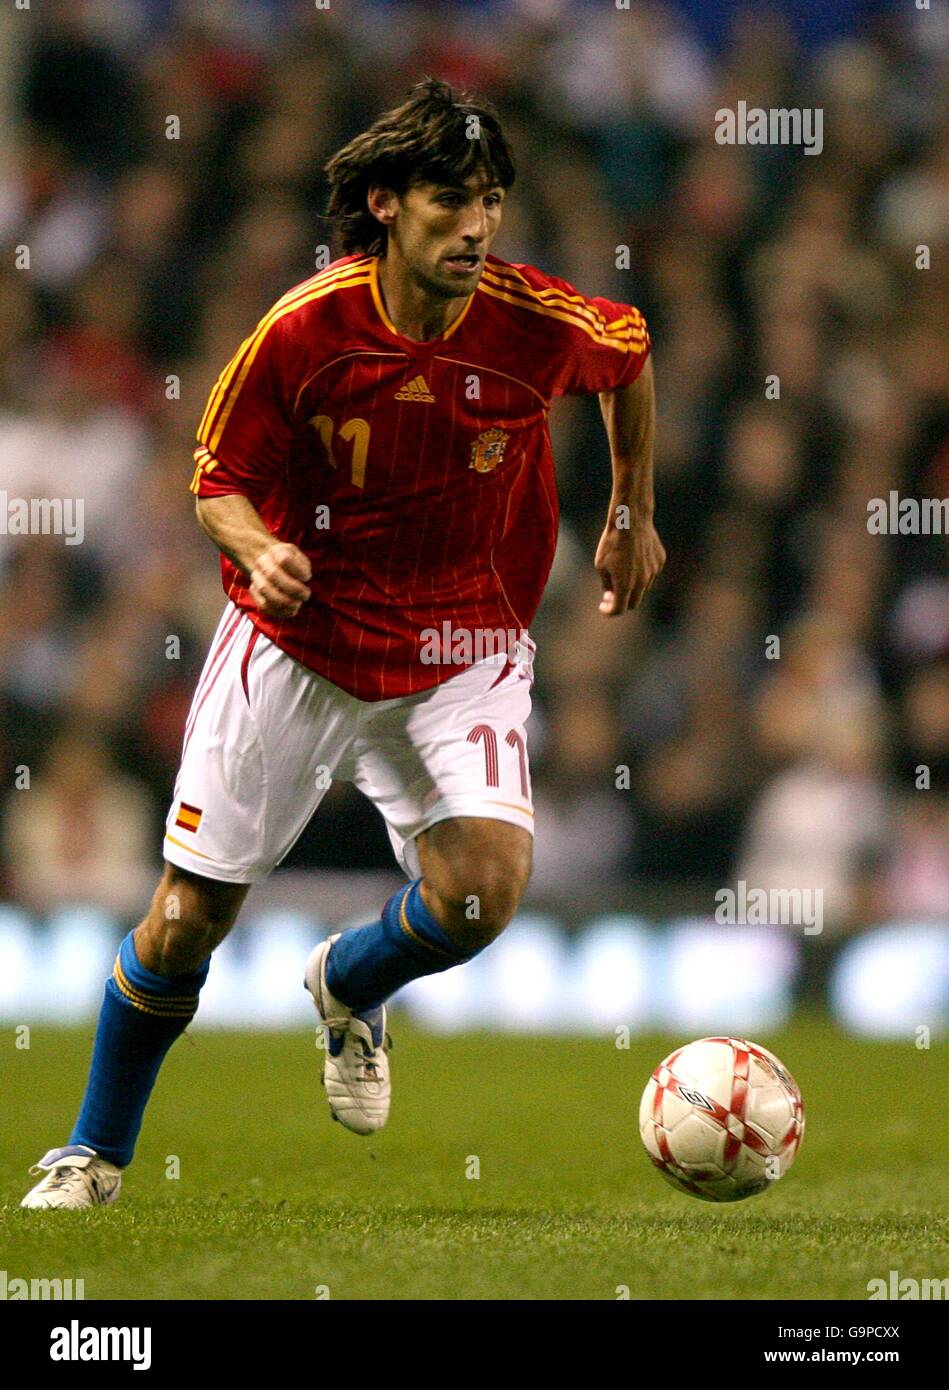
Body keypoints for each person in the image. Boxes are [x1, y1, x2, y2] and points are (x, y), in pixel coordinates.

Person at [22, 79, 664, 1209]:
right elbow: (216, 482)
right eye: (450, 201)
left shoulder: (535, 321)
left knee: (482, 895)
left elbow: (628, 357)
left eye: (491, 203)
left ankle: (349, 982)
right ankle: (93, 1152)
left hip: (462, 647)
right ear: (385, 204)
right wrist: (259, 545)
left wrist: (629, 509)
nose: (476, 226)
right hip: (299, 642)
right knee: (183, 926)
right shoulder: (303, 331)